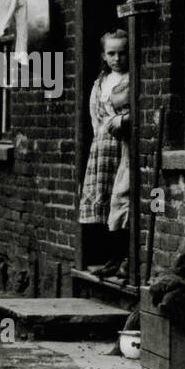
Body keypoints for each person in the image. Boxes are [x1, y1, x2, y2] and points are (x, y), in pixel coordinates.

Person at [79, 28, 131, 280]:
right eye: (111, 53)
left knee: (119, 199)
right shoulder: (100, 83)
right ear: (104, 55)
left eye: (122, 53)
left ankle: (120, 255)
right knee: (101, 199)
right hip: (102, 147)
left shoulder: (131, 79)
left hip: (121, 147)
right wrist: (99, 137)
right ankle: (109, 255)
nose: (117, 58)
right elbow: (94, 116)